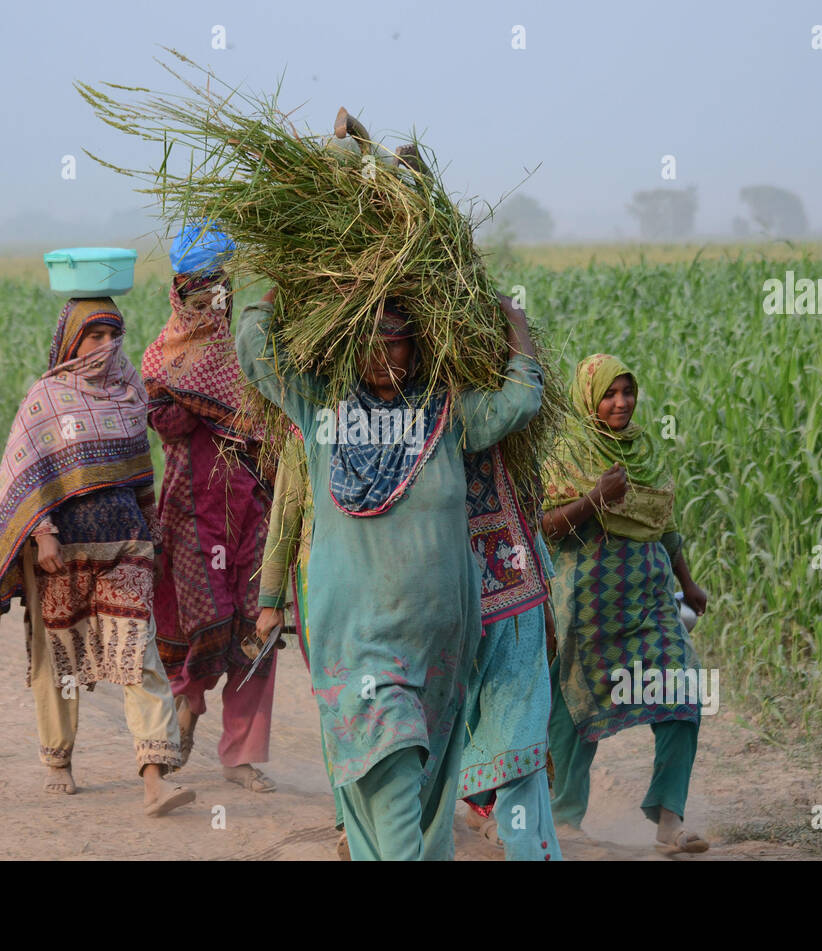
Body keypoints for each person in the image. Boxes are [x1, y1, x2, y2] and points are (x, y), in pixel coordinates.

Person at [237, 289, 543, 860]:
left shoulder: (449, 415)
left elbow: (521, 401)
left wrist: (513, 321)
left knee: (417, 776)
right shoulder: (322, 413)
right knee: (392, 749)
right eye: (371, 344)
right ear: (350, 348)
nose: (384, 356)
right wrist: (268, 298)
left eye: (397, 343)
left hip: (437, 642)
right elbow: (257, 356)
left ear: (416, 349)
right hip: (358, 637)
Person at [0, 296, 193, 817]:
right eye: (94, 337)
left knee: (138, 657)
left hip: (124, 547)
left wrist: (154, 533)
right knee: (57, 660)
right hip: (62, 553)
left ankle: (155, 779)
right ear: (70, 342)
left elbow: (140, 473)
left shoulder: (131, 392)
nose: (107, 347)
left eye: (114, 335)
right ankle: (58, 758)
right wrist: (42, 535)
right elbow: (24, 478)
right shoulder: (46, 399)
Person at [541, 353, 710, 853]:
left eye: (627, 392)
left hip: (651, 600)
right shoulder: (566, 450)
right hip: (585, 605)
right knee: (576, 706)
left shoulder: (645, 450)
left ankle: (669, 820)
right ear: (589, 398)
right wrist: (595, 498)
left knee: (682, 690)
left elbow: (666, 525)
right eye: (610, 394)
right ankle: (564, 818)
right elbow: (545, 526)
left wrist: (689, 582)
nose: (621, 403)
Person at [143, 224, 277, 794]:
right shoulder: (161, 355)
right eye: (196, 294)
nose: (207, 304)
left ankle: (240, 755)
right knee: (201, 624)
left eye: (216, 293)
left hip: (250, 506)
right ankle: (188, 709)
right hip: (191, 512)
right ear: (179, 294)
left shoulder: (244, 350)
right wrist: (187, 393)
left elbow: (269, 415)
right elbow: (165, 422)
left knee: (257, 629)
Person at [456, 446, 562, 861]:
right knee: (460, 727)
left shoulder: (514, 448)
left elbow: (530, 511)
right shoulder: (428, 423)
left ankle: (530, 848)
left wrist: (544, 598)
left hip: (520, 598)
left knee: (520, 736)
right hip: (454, 600)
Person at [255, 431, 351, 858]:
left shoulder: (406, 415)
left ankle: (400, 806)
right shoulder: (308, 428)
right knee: (338, 697)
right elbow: (286, 512)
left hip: (396, 583)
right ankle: (350, 813)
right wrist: (271, 601)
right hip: (323, 583)